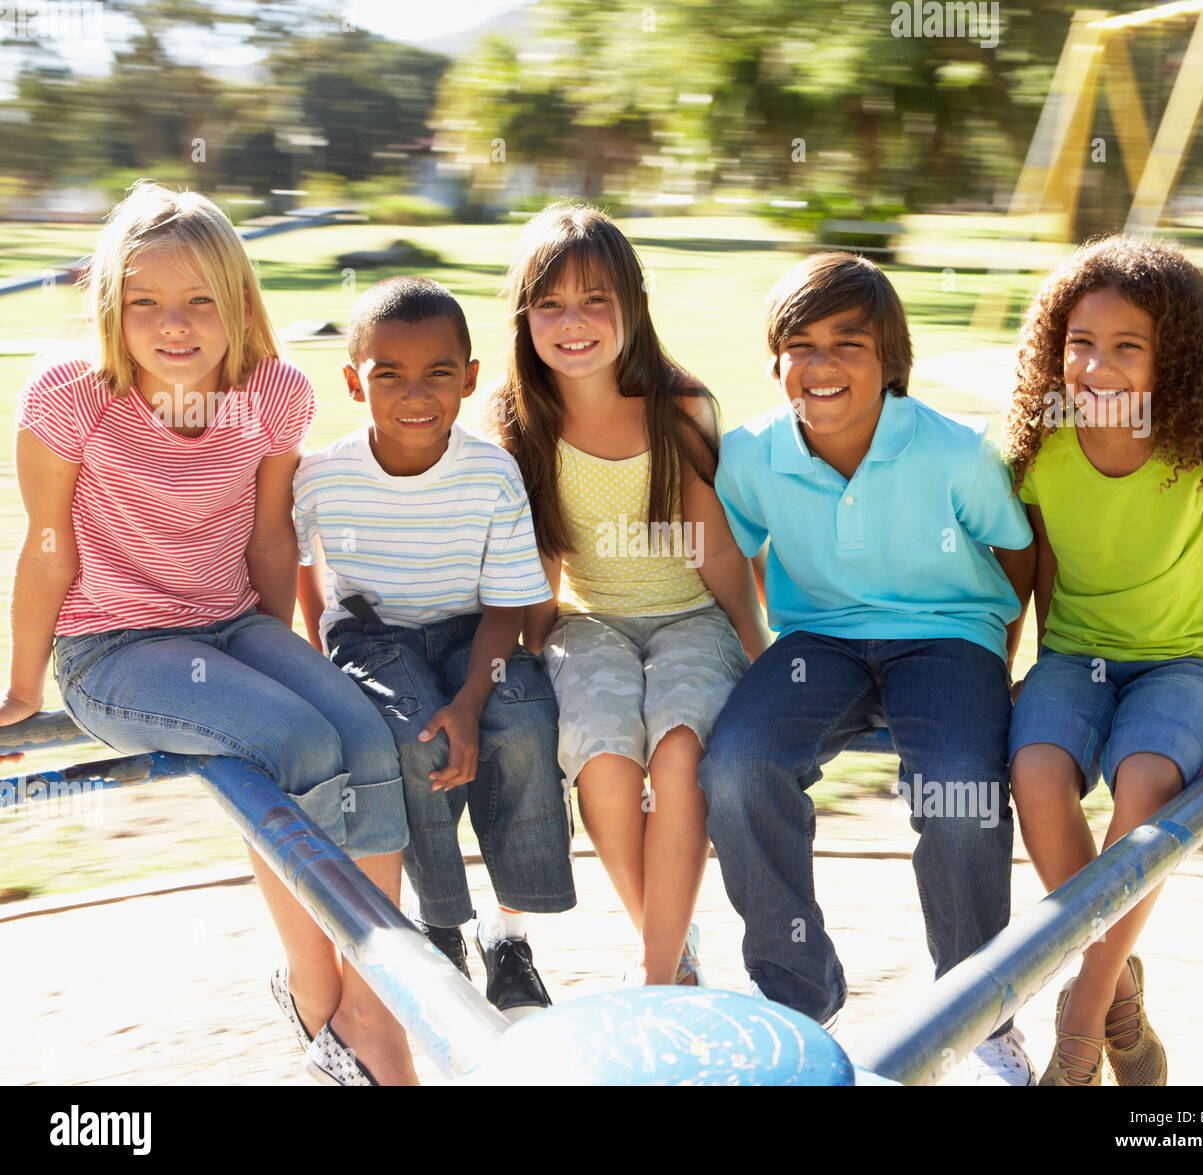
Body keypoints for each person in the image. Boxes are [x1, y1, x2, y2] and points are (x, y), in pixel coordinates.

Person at [0, 181, 416, 1085]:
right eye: (144, 301)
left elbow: (271, 534)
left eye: (199, 301)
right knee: (293, 740)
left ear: (238, 303)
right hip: (115, 649)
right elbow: (45, 550)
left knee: (362, 733)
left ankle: (373, 1007)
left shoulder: (272, 393)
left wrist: (286, 654)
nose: (173, 324)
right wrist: (22, 687)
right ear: (112, 307)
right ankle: (316, 996)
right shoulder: (71, 397)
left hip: (230, 625)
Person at [700, 251, 1037, 1084]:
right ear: (775, 359)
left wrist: (1000, 652)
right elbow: (729, 554)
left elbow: (1020, 550)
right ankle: (797, 991)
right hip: (820, 641)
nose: (820, 365)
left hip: (948, 635)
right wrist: (759, 651)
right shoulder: (748, 456)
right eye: (799, 344)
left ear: (889, 360)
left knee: (960, 784)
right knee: (738, 765)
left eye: (848, 343)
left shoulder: (954, 452)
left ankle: (976, 1004)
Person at [1004, 235, 1203, 1086]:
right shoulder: (1039, 447)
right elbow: (1033, 571)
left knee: (1145, 786)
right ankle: (1121, 995)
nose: (1096, 365)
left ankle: (1082, 1023)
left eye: (1126, 347)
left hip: (1180, 665)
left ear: (1176, 360)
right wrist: (1016, 668)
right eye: (1080, 344)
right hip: (1073, 656)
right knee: (1035, 769)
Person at [490, 203, 768, 986]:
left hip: (692, 616)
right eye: (550, 304)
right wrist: (538, 648)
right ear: (525, 317)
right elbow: (536, 555)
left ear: (632, 307)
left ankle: (655, 976)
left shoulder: (679, 410)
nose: (572, 322)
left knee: (680, 753)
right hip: (591, 623)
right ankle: (669, 962)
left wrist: (756, 644)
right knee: (606, 757)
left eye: (594, 300)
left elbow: (715, 547)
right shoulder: (518, 423)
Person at [295, 276, 575, 1020]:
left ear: (471, 378)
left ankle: (509, 937)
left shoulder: (490, 472)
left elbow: (508, 599)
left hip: (472, 631)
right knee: (418, 733)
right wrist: (321, 637)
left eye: (438, 372)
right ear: (354, 381)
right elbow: (297, 561)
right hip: (371, 635)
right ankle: (441, 925)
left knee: (521, 719)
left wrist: (473, 698)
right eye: (388, 374)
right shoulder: (322, 475)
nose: (414, 392)